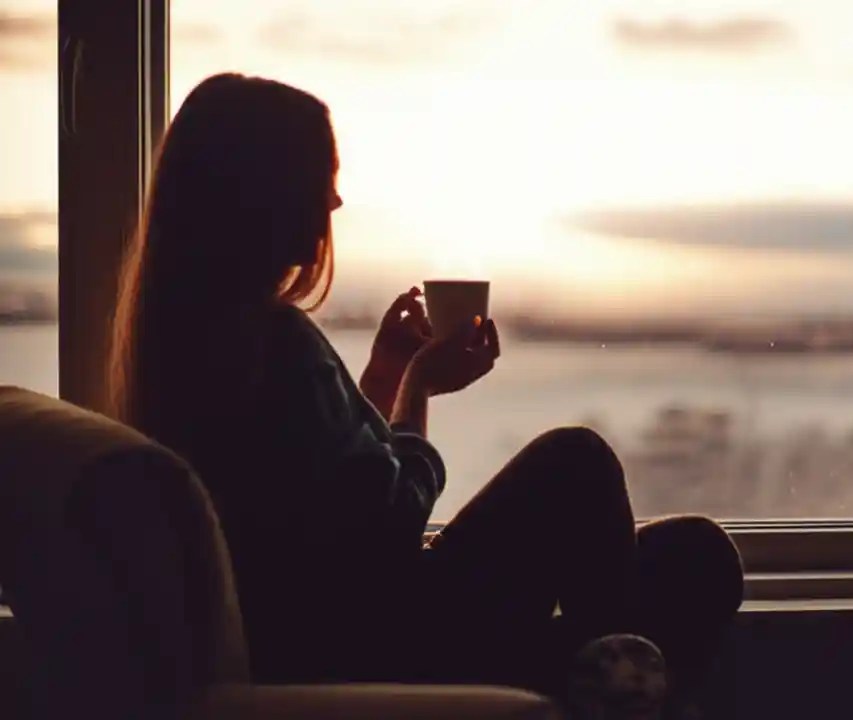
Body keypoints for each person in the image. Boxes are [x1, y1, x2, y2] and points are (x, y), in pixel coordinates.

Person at [106, 73, 743, 716]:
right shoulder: (274, 341)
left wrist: (385, 375)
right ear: (266, 194)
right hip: (378, 644)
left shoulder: (187, 345)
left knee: (694, 554)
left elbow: (327, 487)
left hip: (343, 629)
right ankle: (612, 693)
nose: (335, 200)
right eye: (321, 178)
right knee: (577, 464)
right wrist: (419, 387)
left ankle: (601, 677)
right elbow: (386, 523)